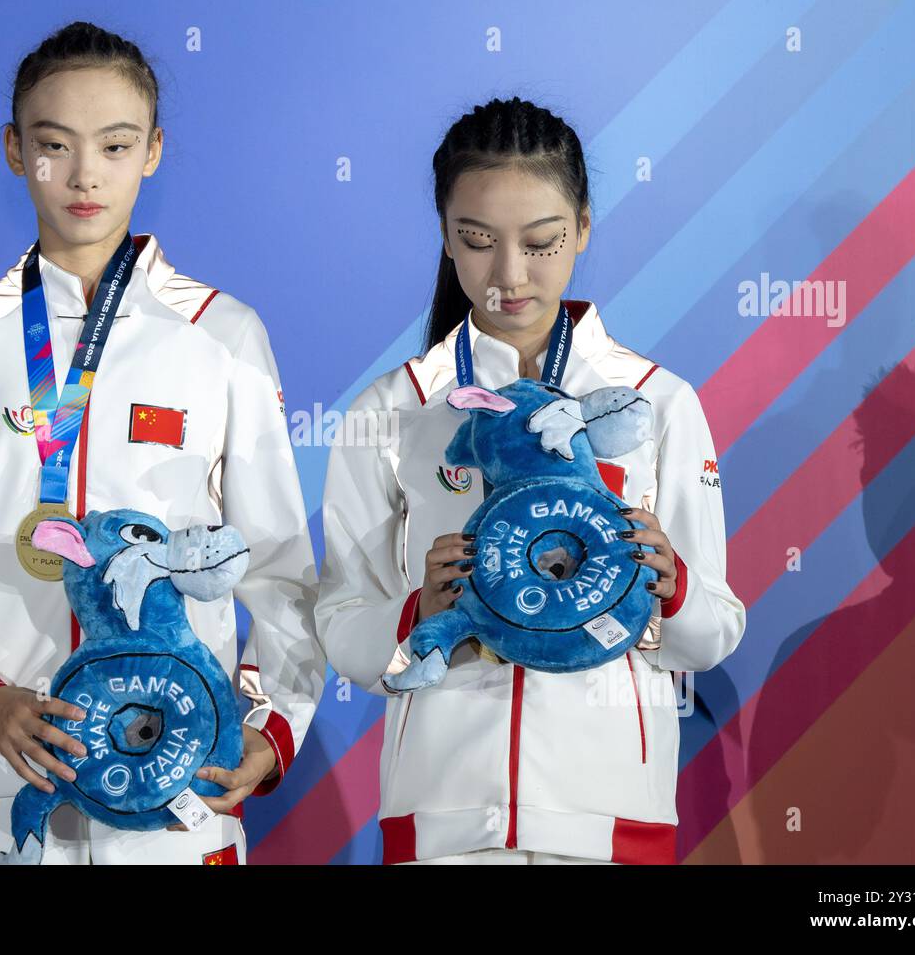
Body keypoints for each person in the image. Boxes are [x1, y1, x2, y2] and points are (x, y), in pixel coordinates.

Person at [0, 21, 323, 864]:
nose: (86, 174)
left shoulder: (222, 334)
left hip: (176, 774)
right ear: (15, 152)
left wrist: (269, 724)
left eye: (116, 144)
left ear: (154, 151)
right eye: (54, 145)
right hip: (4, 776)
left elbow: (276, 565)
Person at [315, 96, 746, 865]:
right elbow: (344, 624)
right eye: (476, 241)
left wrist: (671, 585)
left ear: (582, 225)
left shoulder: (656, 402)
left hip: (610, 822)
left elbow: (713, 631)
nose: (508, 275)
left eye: (541, 242)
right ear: (445, 236)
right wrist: (419, 609)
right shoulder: (396, 409)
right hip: (441, 823)